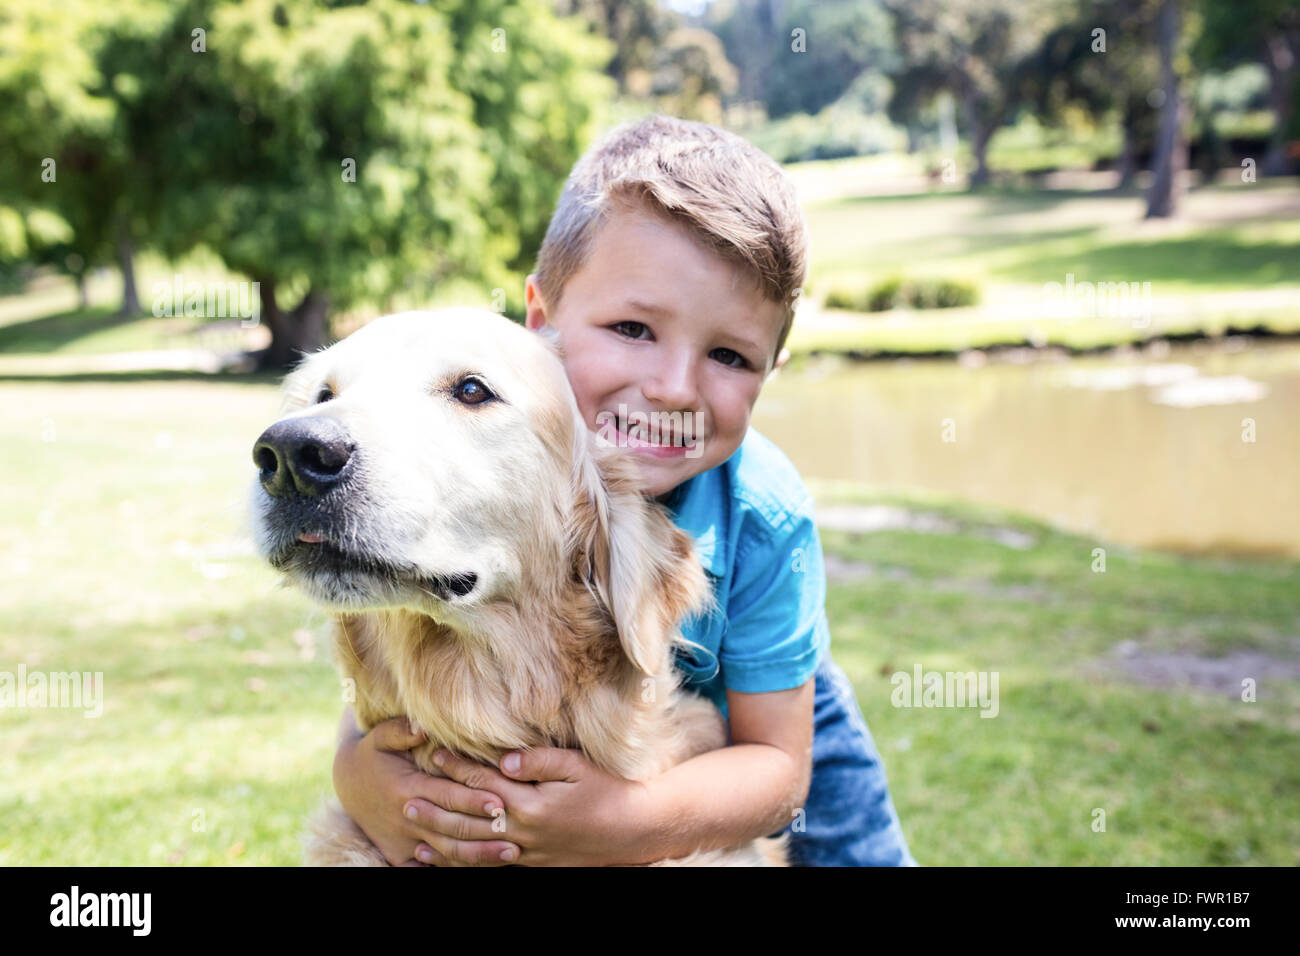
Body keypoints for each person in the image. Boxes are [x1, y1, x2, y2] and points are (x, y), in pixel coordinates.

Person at [332, 115, 917, 866]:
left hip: (756, 700)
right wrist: (358, 776)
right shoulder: (484, 458)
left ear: (773, 368)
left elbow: (776, 770)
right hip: (572, 708)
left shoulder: (765, 512)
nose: (674, 388)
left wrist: (615, 824)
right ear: (541, 322)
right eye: (634, 329)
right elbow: (388, 649)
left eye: (731, 355)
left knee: (854, 848)